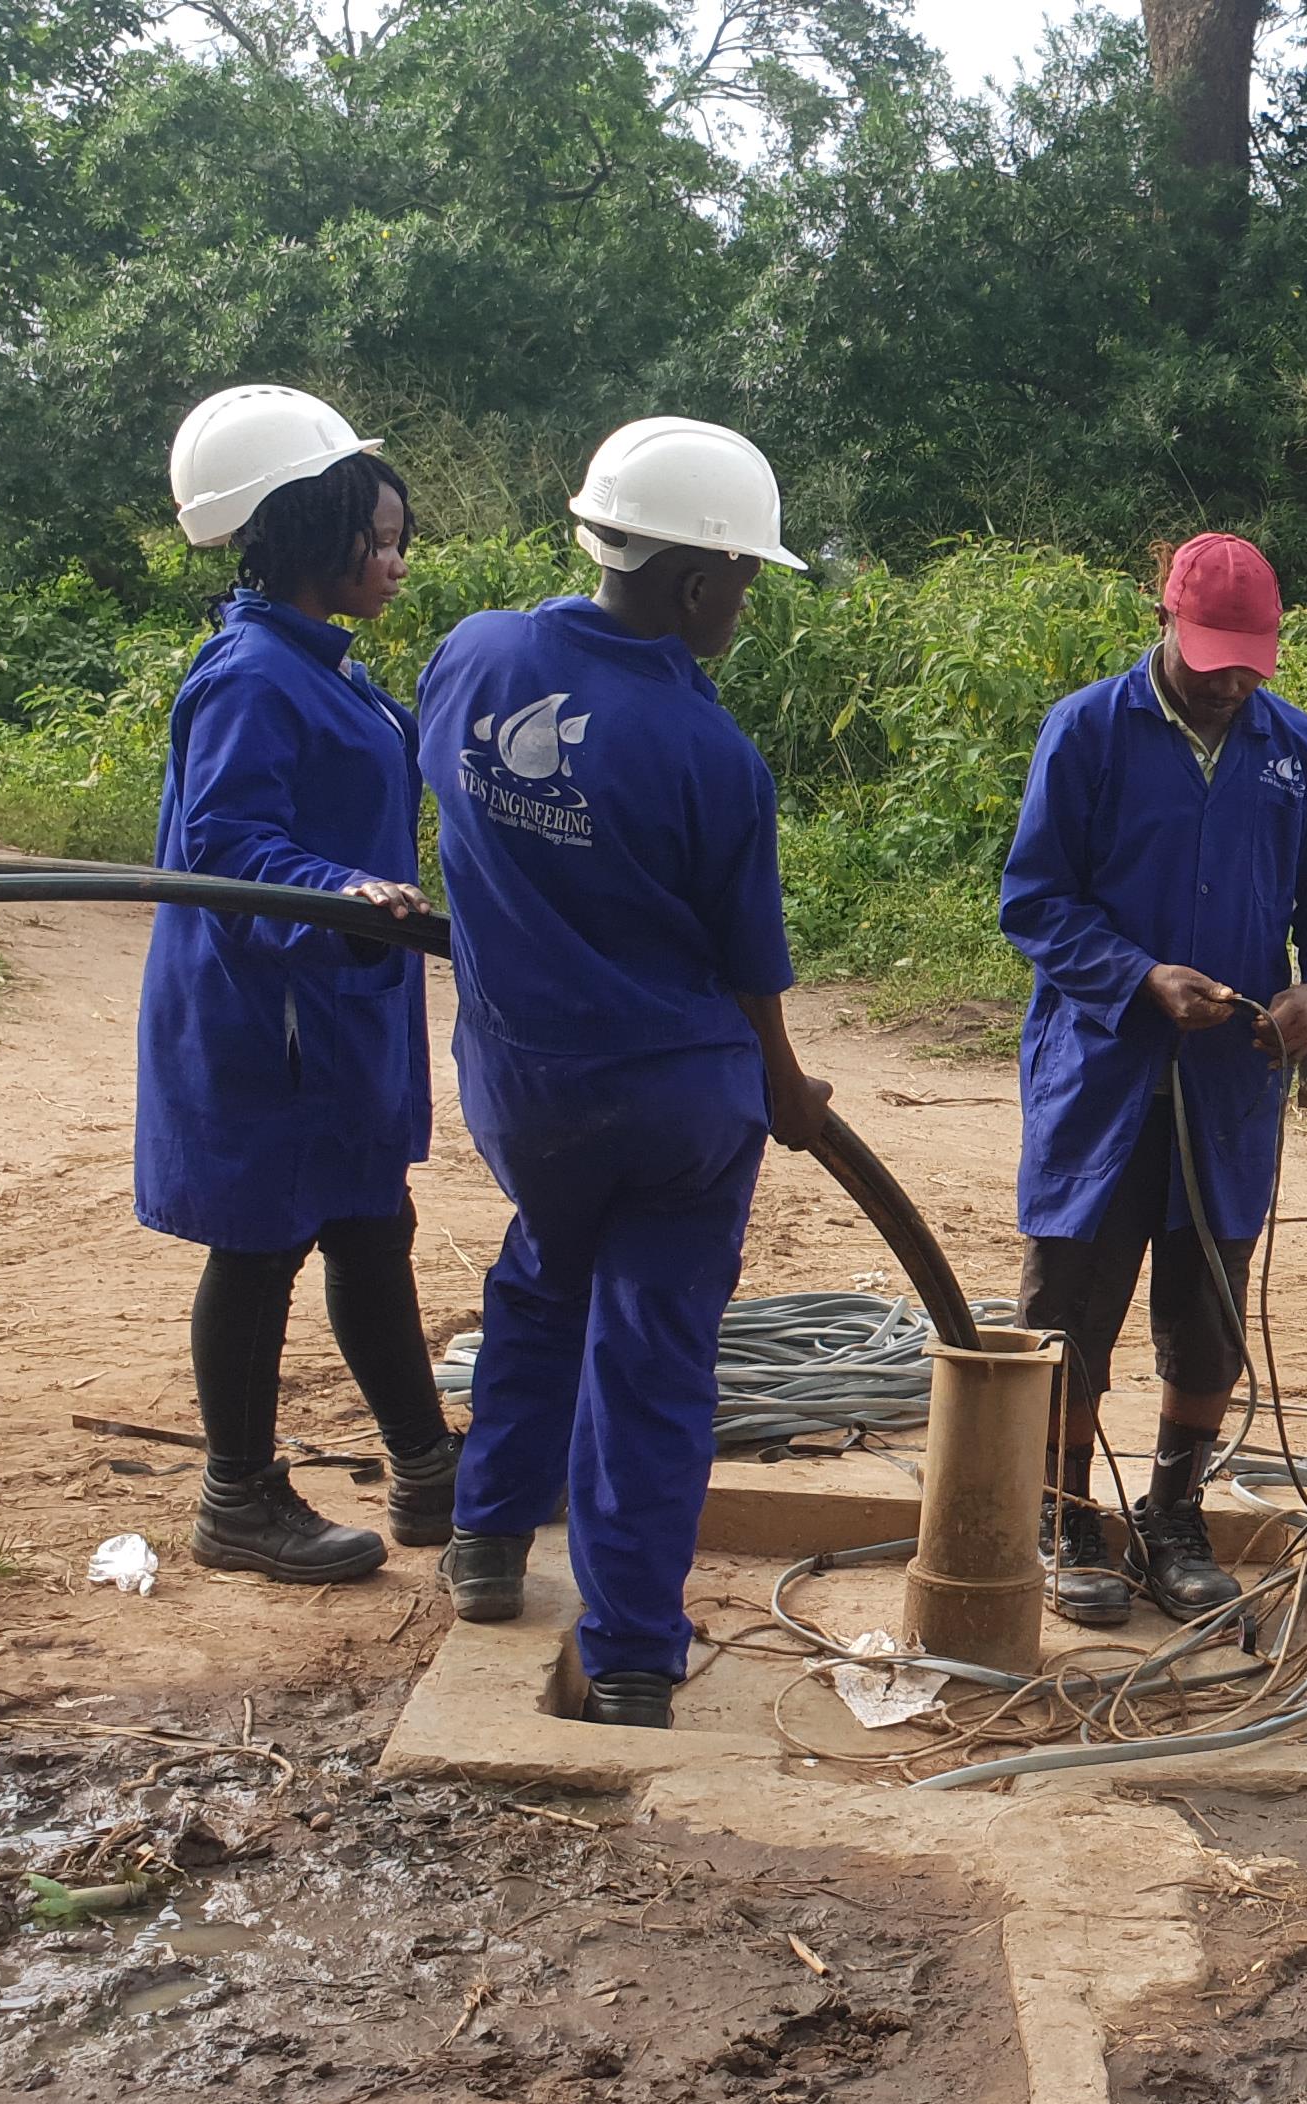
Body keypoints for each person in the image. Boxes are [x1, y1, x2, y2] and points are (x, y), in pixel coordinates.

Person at [408, 417, 830, 1730]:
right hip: (673, 1110)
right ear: (697, 582)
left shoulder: (471, 656)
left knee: (544, 1271)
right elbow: (750, 969)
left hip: (523, 1091)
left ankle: (486, 1545)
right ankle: (637, 1648)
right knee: (650, 1354)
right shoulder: (712, 759)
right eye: (745, 582)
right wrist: (788, 1088)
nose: (746, 605)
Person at [999, 532, 1307, 1627]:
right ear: (1163, 622)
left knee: (1207, 1307)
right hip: (1103, 1068)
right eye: (1212, 656)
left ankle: (1172, 1516)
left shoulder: (1295, 755)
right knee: (1072, 1299)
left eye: (1249, 660)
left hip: (1229, 1082)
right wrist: (1139, 976)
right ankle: (1066, 1512)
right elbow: (1035, 903)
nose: (1229, 681)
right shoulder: (1088, 733)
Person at [138, 384, 459, 1585]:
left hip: (336, 1007)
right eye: (377, 542)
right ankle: (238, 1501)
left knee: (373, 1229)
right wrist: (339, 890)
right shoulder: (250, 676)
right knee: (260, 1245)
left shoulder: (326, 669)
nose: (394, 563)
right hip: (267, 1012)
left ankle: (430, 1469)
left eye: (398, 542)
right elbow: (224, 849)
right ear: (312, 531)